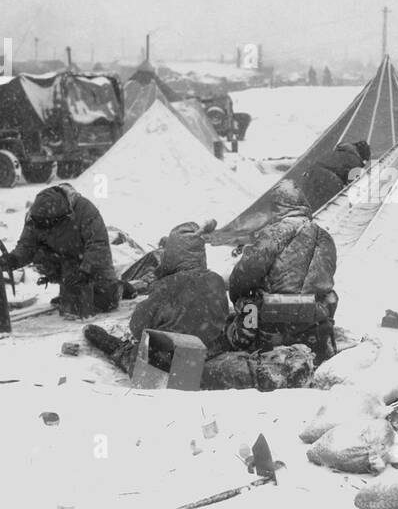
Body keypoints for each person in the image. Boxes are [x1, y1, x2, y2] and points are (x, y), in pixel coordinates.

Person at [84, 221, 229, 372]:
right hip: (208, 358)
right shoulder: (216, 280)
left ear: (172, 255)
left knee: (128, 351)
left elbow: (137, 326)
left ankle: (120, 352)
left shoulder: (168, 285)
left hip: (168, 365)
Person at [225, 180, 338, 362]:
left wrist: (239, 297)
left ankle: (245, 338)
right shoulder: (325, 237)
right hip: (315, 312)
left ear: (277, 207)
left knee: (248, 303)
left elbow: (245, 274)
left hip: (274, 313)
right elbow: (327, 276)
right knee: (331, 296)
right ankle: (320, 340)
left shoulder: (274, 233)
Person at [0, 183, 119, 318]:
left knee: (106, 302)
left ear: (60, 217)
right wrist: (13, 259)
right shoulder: (35, 217)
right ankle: (68, 291)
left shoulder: (85, 210)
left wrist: (85, 271)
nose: (42, 228)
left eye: (45, 224)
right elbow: (27, 245)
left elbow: (98, 245)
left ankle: (120, 287)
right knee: (72, 297)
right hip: (64, 260)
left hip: (88, 259)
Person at [300, 139, 370, 211]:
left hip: (310, 174)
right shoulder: (355, 160)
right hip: (328, 179)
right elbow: (352, 185)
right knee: (325, 209)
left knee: (310, 205)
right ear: (362, 155)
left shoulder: (336, 152)